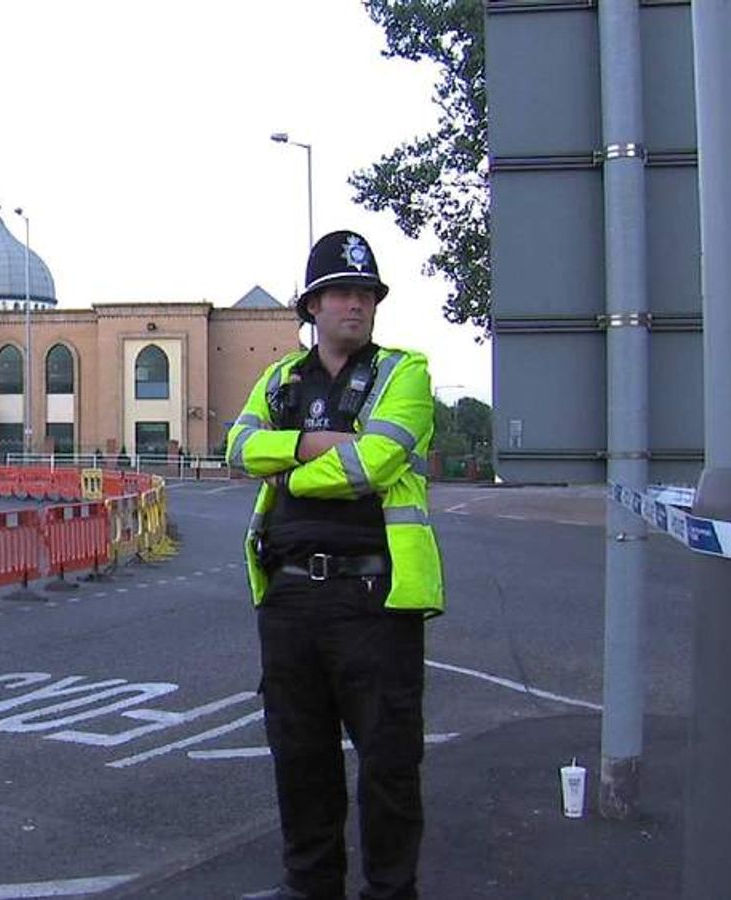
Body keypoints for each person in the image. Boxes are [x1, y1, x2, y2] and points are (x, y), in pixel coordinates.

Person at [227, 230, 445, 900]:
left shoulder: (403, 373)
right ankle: (311, 887)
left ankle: (389, 890)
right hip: (289, 599)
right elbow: (237, 448)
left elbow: (374, 461)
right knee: (301, 761)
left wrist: (289, 468)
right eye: (341, 293)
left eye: (366, 293)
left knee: (388, 764)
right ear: (312, 307)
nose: (357, 304)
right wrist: (314, 442)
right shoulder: (280, 379)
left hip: (373, 597)